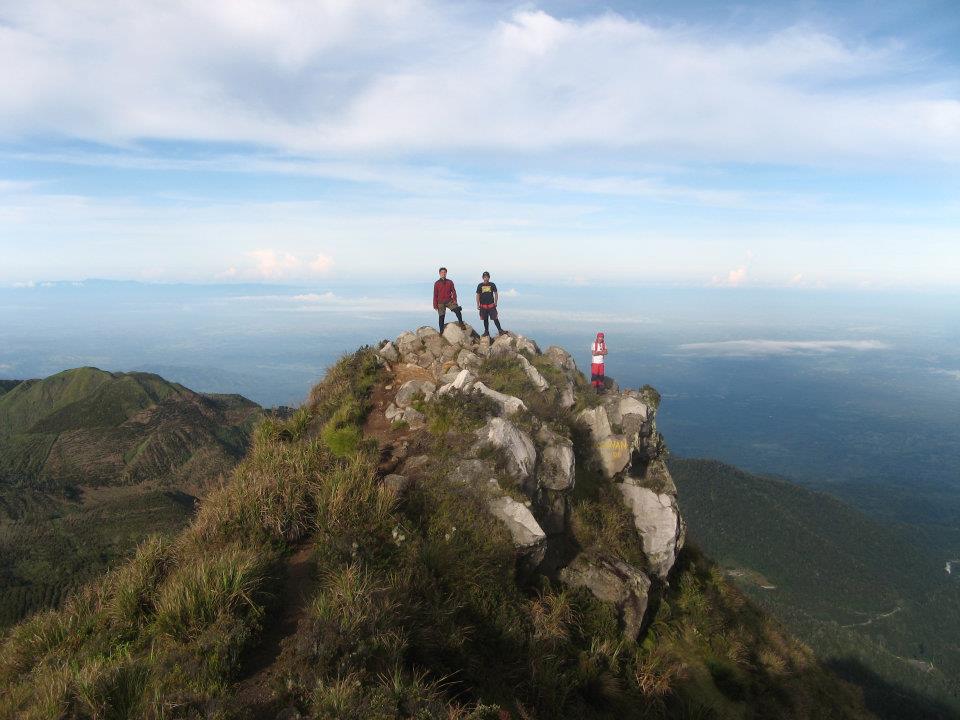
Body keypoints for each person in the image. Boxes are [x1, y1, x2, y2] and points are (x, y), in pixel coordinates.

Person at [432, 266, 465, 332]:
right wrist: (435, 305)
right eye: (442, 272)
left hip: (449, 301)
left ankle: (461, 324)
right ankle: (441, 332)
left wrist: (455, 300)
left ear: (446, 273)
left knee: (457, 310)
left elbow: (454, 291)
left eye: (444, 272)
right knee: (441, 317)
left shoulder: (450, 282)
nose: (443, 273)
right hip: (440, 302)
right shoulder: (437, 283)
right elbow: (435, 295)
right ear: (439, 273)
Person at [475, 271, 506, 337]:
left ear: (489, 277)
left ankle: (500, 330)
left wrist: (496, 302)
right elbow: (478, 295)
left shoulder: (492, 284)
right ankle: (486, 332)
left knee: (495, 318)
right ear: (483, 278)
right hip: (483, 306)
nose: (486, 278)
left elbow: (496, 293)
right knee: (485, 319)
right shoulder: (480, 285)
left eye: (487, 277)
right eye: (485, 277)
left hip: (491, 305)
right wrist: (477, 304)